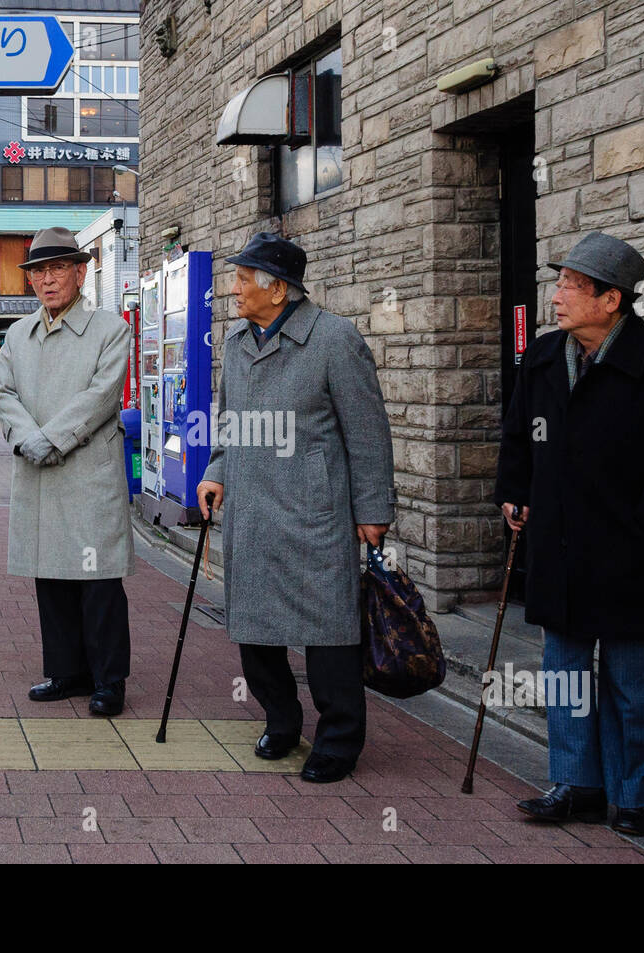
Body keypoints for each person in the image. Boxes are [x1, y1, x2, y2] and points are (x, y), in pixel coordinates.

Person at [494, 231, 644, 836]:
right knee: (566, 673)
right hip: (560, 554)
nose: (557, 295)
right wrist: (514, 494)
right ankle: (577, 785)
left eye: (571, 285)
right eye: (559, 281)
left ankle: (631, 795)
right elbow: (518, 437)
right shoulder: (543, 358)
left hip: (636, 560)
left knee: (633, 686)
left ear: (611, 299)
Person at [196, 233, 397, 784]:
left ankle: (338, 739)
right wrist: (216, 472)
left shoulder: (335, 340)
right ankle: (281, 720)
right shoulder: (236, 345)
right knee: (256, 631)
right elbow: (228, 424)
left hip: (317, 515)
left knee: (329, 632)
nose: (232, 289)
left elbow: (368, 435)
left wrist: (373, 508)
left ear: (277, 288)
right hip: (253, 514)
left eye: (242, 279)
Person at [0, 226, 133, 717]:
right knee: (50, 575)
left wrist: (49, 439)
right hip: (38, 470)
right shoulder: (16, 333)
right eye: (38, 272)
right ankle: (66, 671)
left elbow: (101, 396)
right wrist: (28, 438)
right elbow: (2, 394)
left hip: (87, 471)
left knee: (98, 581)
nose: (47, 280)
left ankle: (109, 679)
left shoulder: (110, 329)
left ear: (80, 272)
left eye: (57, 270)